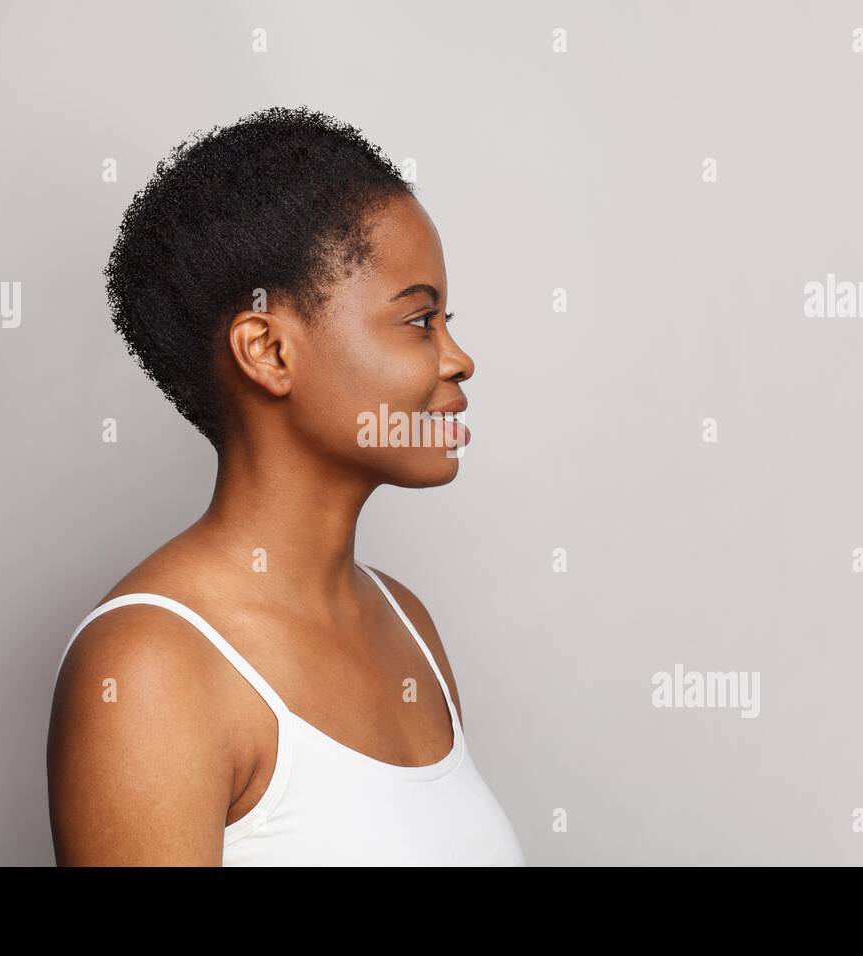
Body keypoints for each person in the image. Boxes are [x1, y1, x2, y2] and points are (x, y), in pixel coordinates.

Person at [46, 106, 525, 865]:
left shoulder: (409, 628)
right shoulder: (150, 667)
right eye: (419, 321)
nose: (458, 359)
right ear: (268, 351)